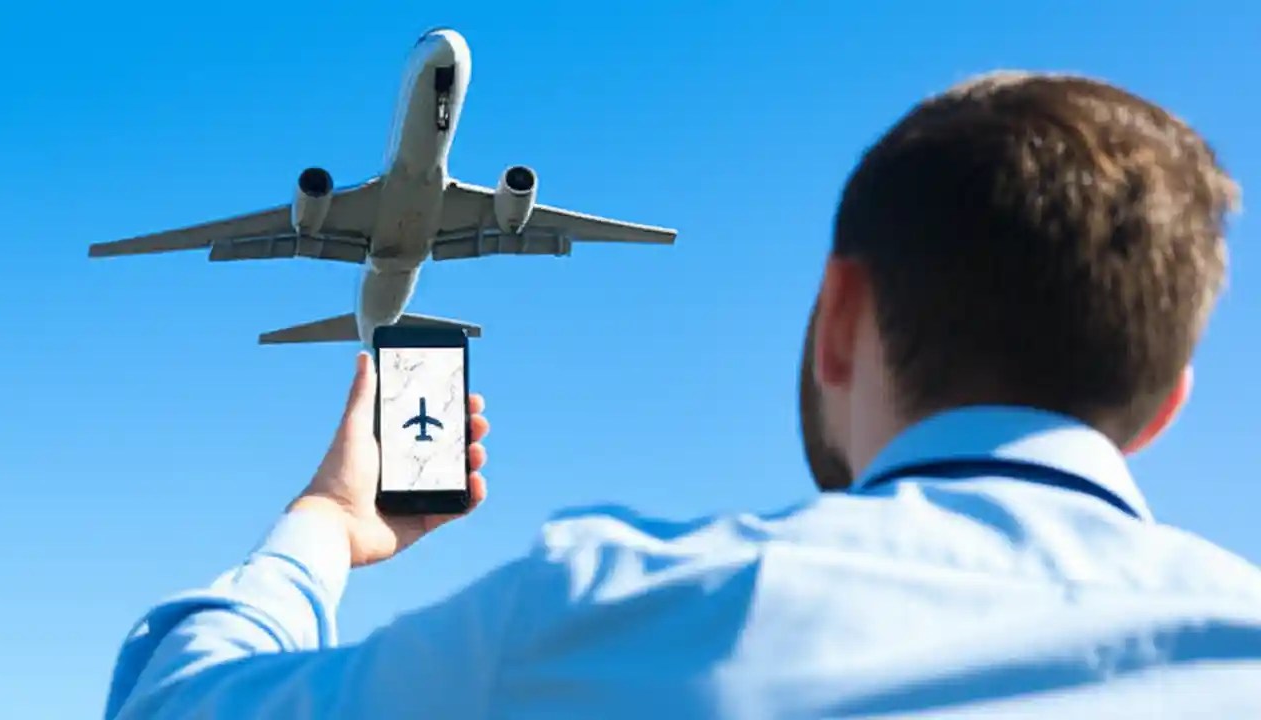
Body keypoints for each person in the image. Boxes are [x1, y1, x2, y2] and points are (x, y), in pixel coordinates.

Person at [105, 71, 1261, 719]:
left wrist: (323, 523)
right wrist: (314, 212)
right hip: (368, 262)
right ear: (1167, 402)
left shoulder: (605, 610)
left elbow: (175, 704)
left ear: (837, 319)